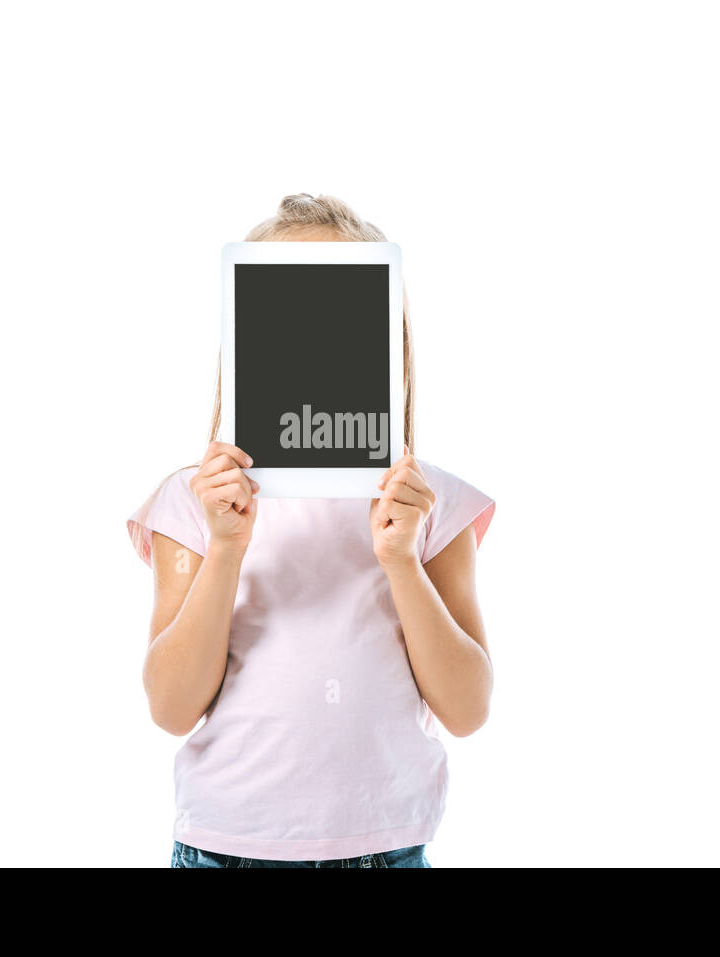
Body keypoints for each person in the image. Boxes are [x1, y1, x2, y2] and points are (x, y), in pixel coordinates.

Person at [127, 193, 496, 868]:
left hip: (383, 847)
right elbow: (171, 706)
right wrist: (226, 549)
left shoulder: (429, 503)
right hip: (225, 846)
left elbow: (468, 708)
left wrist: (402, 560)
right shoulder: (193, 502)